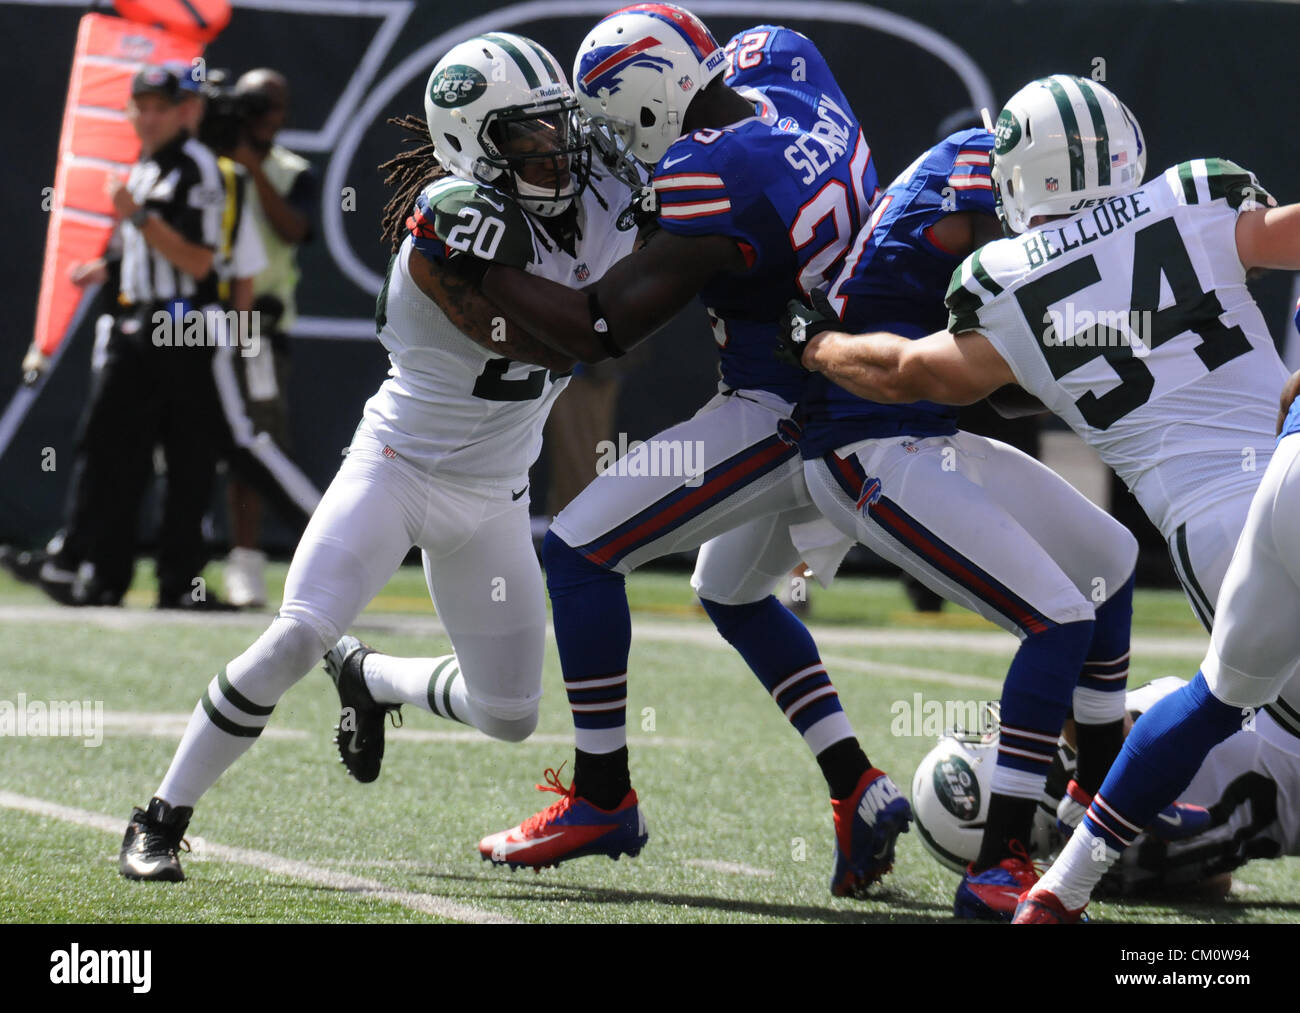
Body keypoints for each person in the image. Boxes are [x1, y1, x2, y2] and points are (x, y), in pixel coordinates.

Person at [775, 74, 1300, 919]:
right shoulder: (1192, 196)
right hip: (1284, 465)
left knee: (1210, 690)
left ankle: (1062, 875)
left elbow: (915, 374)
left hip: (1211, 533)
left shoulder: (1004, 274)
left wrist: (817, 345)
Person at [118, 33, 638, 880]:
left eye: (556, 126)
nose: (554, 147)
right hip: (396, 469)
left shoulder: (598, 195)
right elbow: (565, 339)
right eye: (527, 134)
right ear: (475, 146)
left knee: (509, 715)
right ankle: (159, 817)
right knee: (296, 635)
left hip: (497, 496)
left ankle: (370, 678)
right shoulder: (443, 235)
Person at [467, 6, 911, 898]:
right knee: (729, 589)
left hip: (788, 404)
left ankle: (602, 797)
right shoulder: (787, 64)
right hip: (848, 370)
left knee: (582, 546)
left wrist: (481, 270)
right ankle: (858, 784)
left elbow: (603, 327)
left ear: (646, 96)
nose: (600, 140)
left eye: (603, 116)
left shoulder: (713, 176)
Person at [791, 124, 1146, 920]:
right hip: (864, 445)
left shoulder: (984, 184)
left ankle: (1092, 794)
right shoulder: (969, 204)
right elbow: (975, 374)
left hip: (926, 434)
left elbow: (996, 383)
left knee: (1111, 559)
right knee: (1057, 619)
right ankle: (999, 864)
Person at [36, 64, 234, 610]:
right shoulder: (145, 165)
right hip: (138, 319)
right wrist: (104, 267)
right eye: (139, 106)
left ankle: (179, 582)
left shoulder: (198, 169)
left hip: (183, 322)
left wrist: (138, 216)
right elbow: (141, 247)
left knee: (186, 451)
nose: (147, 117)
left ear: (185, 111)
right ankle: (102, 573)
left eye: (159, 107)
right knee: (111, 446)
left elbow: (197, 262)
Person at [913, 675, 1298, 899]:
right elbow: (1067, 668)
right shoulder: (1112, 747)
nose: (992, 733)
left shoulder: (1097, 871)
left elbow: (1216, 885)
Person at [220, 68, 321, 607]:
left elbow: (295, 230)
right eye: (253, 102)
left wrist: (251, 169)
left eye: (273, 104)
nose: (264, 113)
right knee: (184, 444)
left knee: (257, 446)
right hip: (197, 326)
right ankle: (181, 560)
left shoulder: (291, 171)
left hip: (258, 325)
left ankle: (247, 565)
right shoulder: (203, 162)